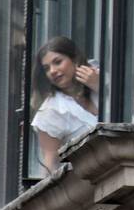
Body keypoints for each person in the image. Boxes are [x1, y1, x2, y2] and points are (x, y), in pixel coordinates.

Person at [31, 36, 100, 172]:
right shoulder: (50, 112)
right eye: (46, 68)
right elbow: (50, 166)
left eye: (57, 62)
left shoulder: (99, 76)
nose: (52, 71)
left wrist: (99, 85)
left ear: (75, 60)